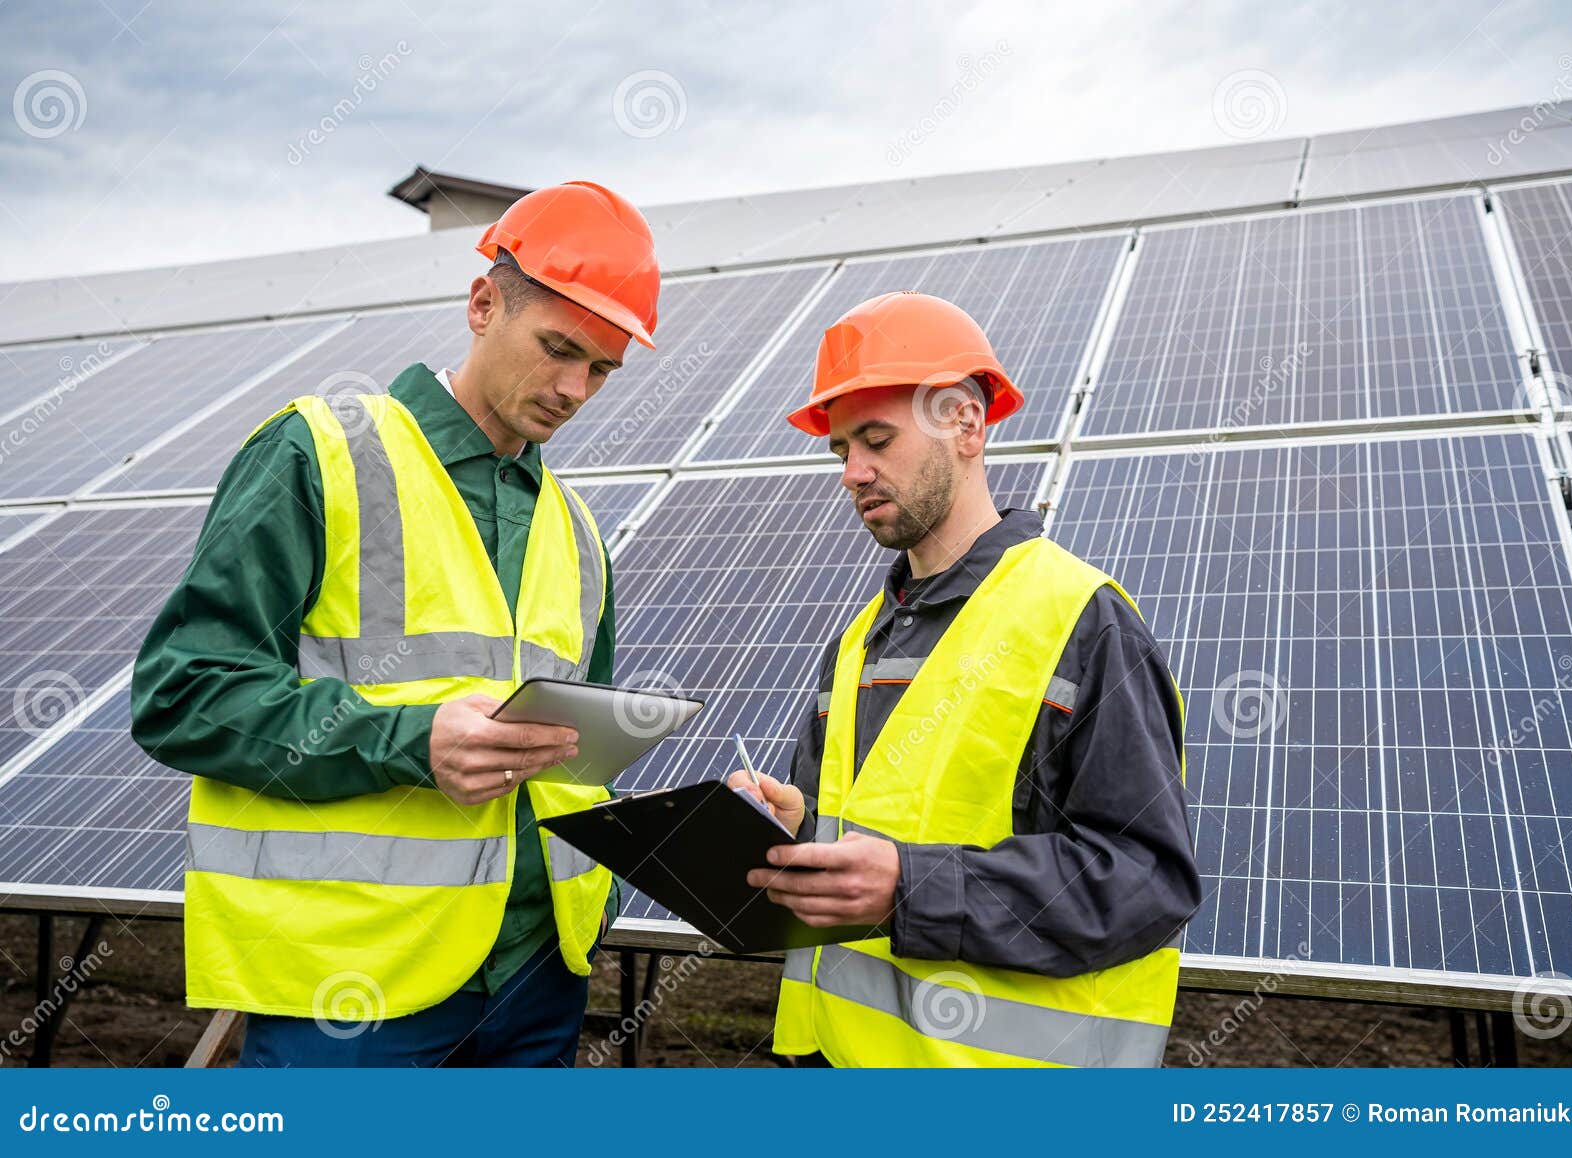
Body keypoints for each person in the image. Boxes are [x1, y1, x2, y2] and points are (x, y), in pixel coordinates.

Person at [131, 180, 661, 1067]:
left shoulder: (577, 533)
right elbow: (182, 696)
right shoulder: (318, 453)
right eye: (559, 349)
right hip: (353, 992)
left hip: (537, 983)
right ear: (483, 304)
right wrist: (410, 742)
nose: (574, 390)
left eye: (602, 370)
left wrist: (676, 834)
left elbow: (572, 761)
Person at [731, 290, 1201, 1067]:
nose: (852, 472)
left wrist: (907, 890)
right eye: (840, 449)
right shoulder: (860, 638)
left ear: (967, 426)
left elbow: (1146, 880)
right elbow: (876, 833)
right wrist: (799, 829)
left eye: (876, 439)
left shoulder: (1082, 621)